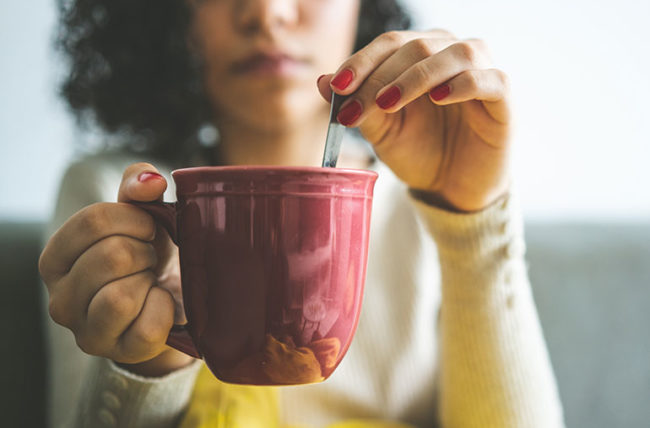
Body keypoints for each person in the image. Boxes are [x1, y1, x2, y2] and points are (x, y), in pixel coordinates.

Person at [39, 0, 564, 427]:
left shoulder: (425, 203)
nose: (267, 13)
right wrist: (152, 354)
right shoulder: (116, 202)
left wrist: (472, 221)